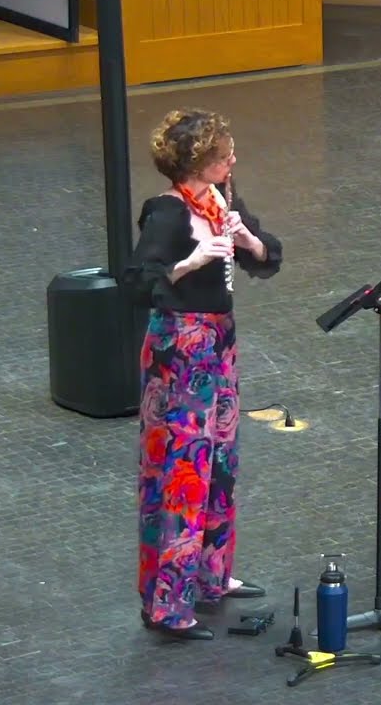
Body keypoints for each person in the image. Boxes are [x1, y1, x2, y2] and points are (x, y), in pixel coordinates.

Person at [123, 108, 283, 640]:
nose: (232, 161)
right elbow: (137, 282)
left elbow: (267, 256)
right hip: (179, 346)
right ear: (198, 163)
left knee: (219, 461)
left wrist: (246, 241)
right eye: (223, 156)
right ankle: (167, 604)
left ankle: (212, 576)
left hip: (220, 340)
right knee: (180, 468)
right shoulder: (166, 213)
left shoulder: (223, 200)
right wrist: (192, 260)